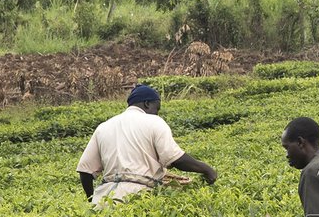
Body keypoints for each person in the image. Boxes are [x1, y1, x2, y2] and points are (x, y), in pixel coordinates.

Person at [77, 84, 218, 206]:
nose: (156, 113)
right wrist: (207, 169)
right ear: (147, 104)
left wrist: (92, 199)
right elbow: (176, 159)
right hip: (137, 197)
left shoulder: (104, 127)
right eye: (157, 108)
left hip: (103, 200)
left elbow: (85, 170)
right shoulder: (154, 122)